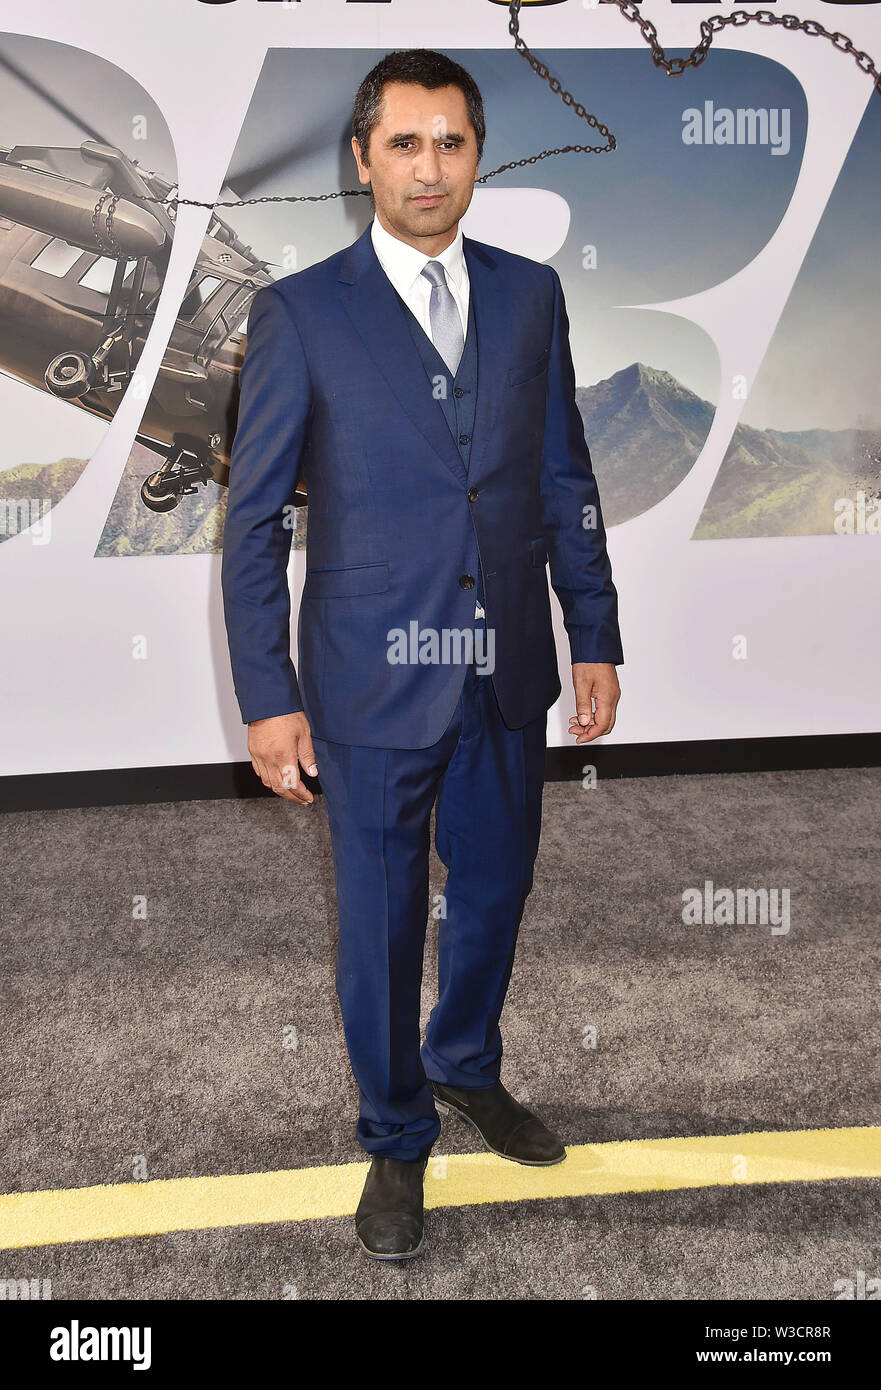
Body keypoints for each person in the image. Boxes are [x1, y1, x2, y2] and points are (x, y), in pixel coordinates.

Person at [221, 48, 623, 1261]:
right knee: (384, 922)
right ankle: (394, 1136)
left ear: (477, 155)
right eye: (404, 142)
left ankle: (465, 1064)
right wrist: (266, 696)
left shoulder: (530, 294)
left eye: (449, 141)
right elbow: (252, 522)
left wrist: (591, 627)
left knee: (493, 893)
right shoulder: (299, 311)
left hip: (501, 670)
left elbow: (563, 476)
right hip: (367, 680)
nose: (428, 165)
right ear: (362, 160)